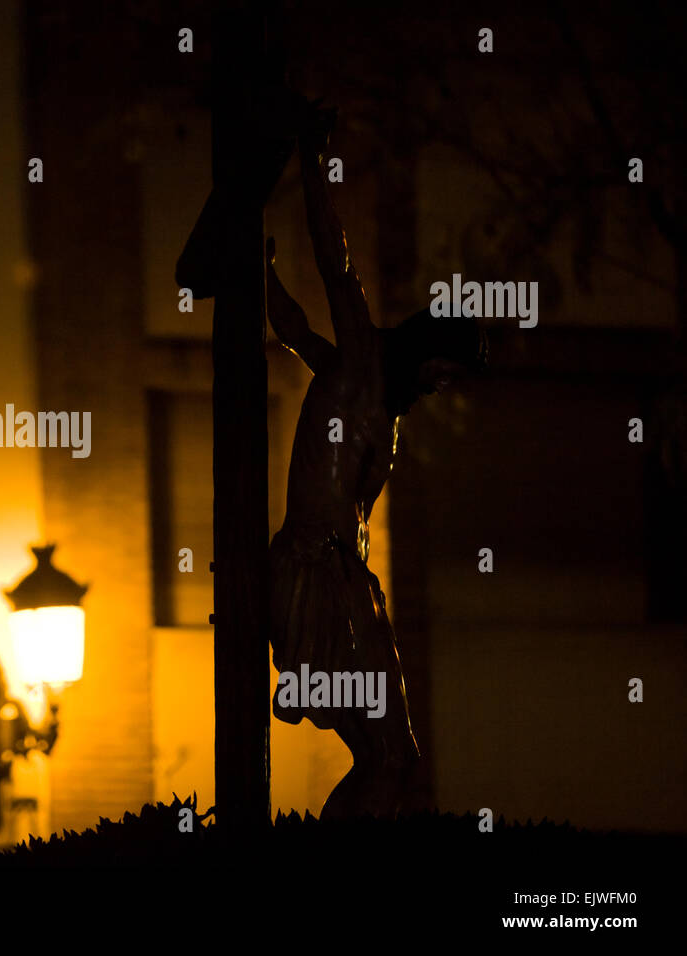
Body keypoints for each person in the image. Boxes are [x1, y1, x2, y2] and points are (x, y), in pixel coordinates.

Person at [266, 102, 487, 819]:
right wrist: (312, 155)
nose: (446, 387)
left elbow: (296, 330)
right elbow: (337, 260)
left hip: (343, 580)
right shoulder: (362, 362)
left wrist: (263, 285)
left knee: (390, 760)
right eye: (448, 371)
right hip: (319, 574)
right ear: (430, 351)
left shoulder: (367, 394)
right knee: (393, 759)